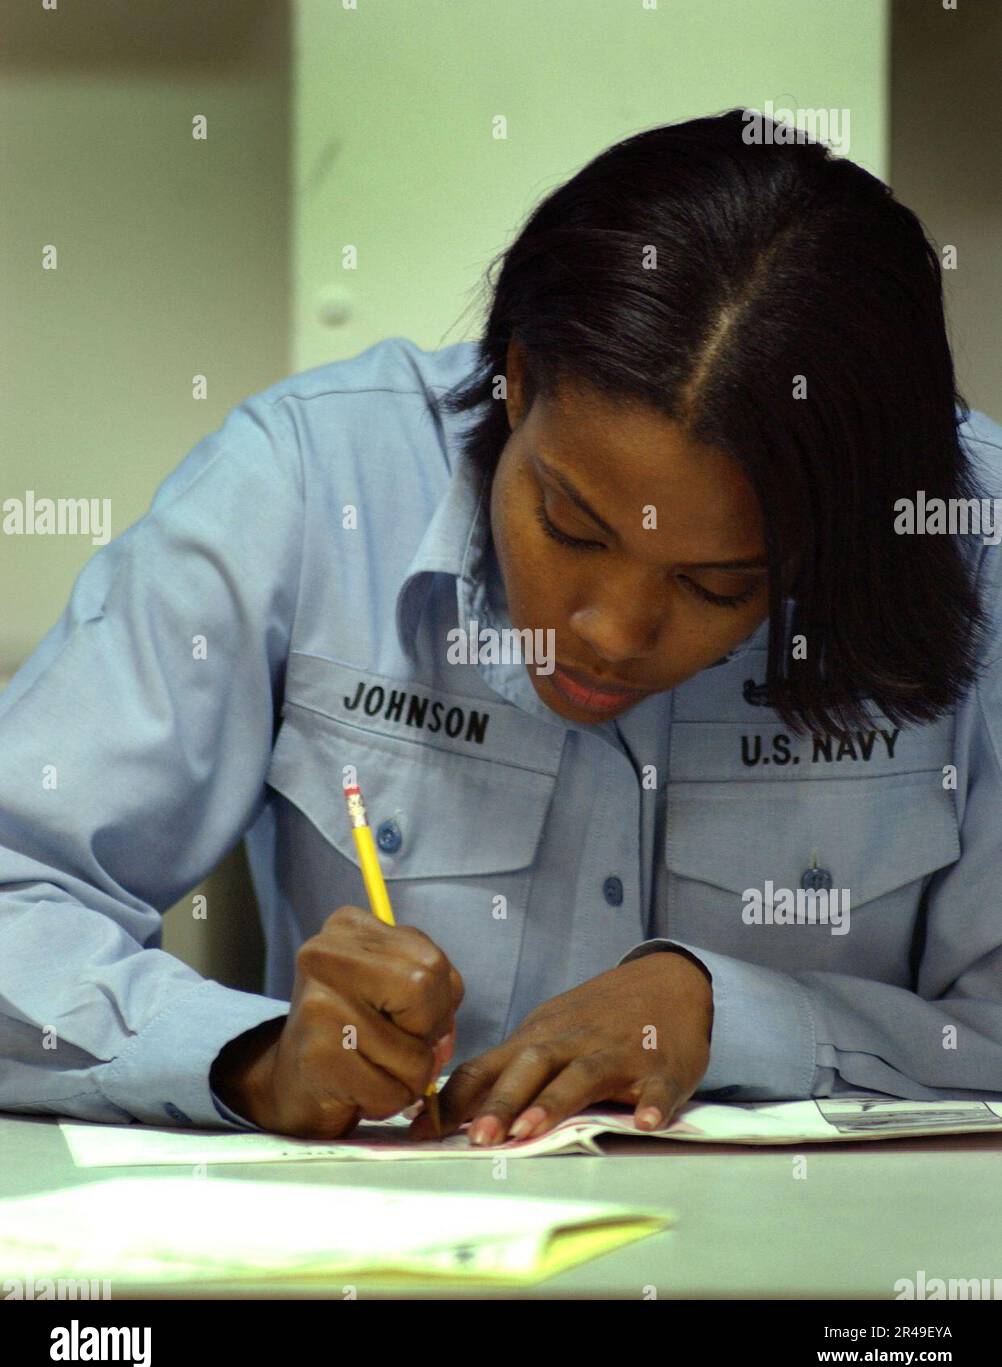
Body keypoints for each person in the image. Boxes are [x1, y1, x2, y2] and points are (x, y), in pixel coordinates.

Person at [2, 108, 1001, 1146]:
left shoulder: (971, 545)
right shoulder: (306, 488)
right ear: (519, 382)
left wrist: (734, 1019)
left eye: (718, 585)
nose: (611, 632)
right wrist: (252, 1058)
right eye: (570, 526)